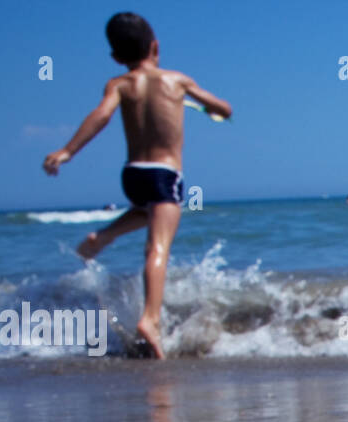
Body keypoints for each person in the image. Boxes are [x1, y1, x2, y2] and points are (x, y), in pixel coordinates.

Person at [42, 12, 232, 357]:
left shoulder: (119, 84)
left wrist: (67, 151)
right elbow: (224, 108)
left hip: (133, 174)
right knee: (157, 248)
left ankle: (103, 237)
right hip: (165, 173)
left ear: (116, 57)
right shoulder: (177, 80)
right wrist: (213, 107)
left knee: (147, 212)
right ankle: (150, 320)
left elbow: (101, 115)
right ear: (155, 46)